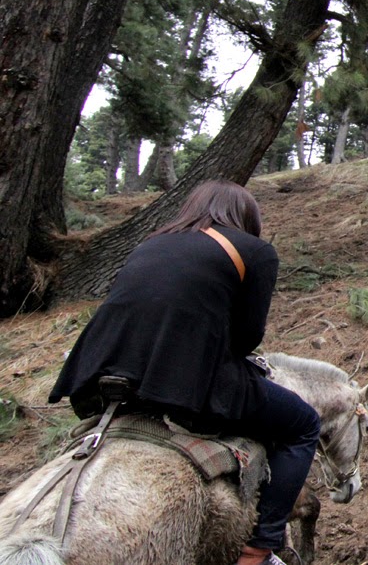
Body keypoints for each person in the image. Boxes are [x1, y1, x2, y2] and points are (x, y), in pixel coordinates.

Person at [48, 180, 318, 565]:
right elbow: (247, 338)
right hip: (184, 383)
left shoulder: (151, 243)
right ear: (246, 218)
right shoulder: (254, 251)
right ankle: (260, 548)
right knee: (303, 424)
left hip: (101, 375)